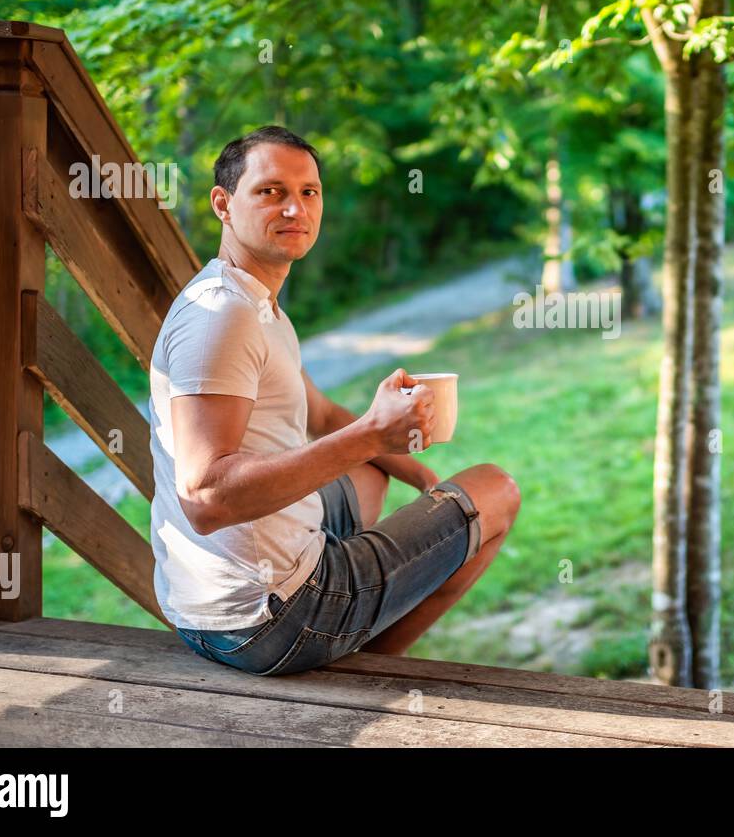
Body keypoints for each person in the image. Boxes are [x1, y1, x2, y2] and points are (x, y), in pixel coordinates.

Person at [148, 125, 520, 676]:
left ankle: (348, 628)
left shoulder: (253, 302)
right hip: (268, 620)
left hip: (207, 610)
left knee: (371, 475)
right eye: (271, 191)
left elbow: (319, 414)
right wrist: (372, 433)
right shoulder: (222, 320)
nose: (295, 208)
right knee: (496, 490)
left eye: (308, 192)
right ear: (224, 205)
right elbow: (206, 497)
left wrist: (420, 475)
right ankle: (361, 671)